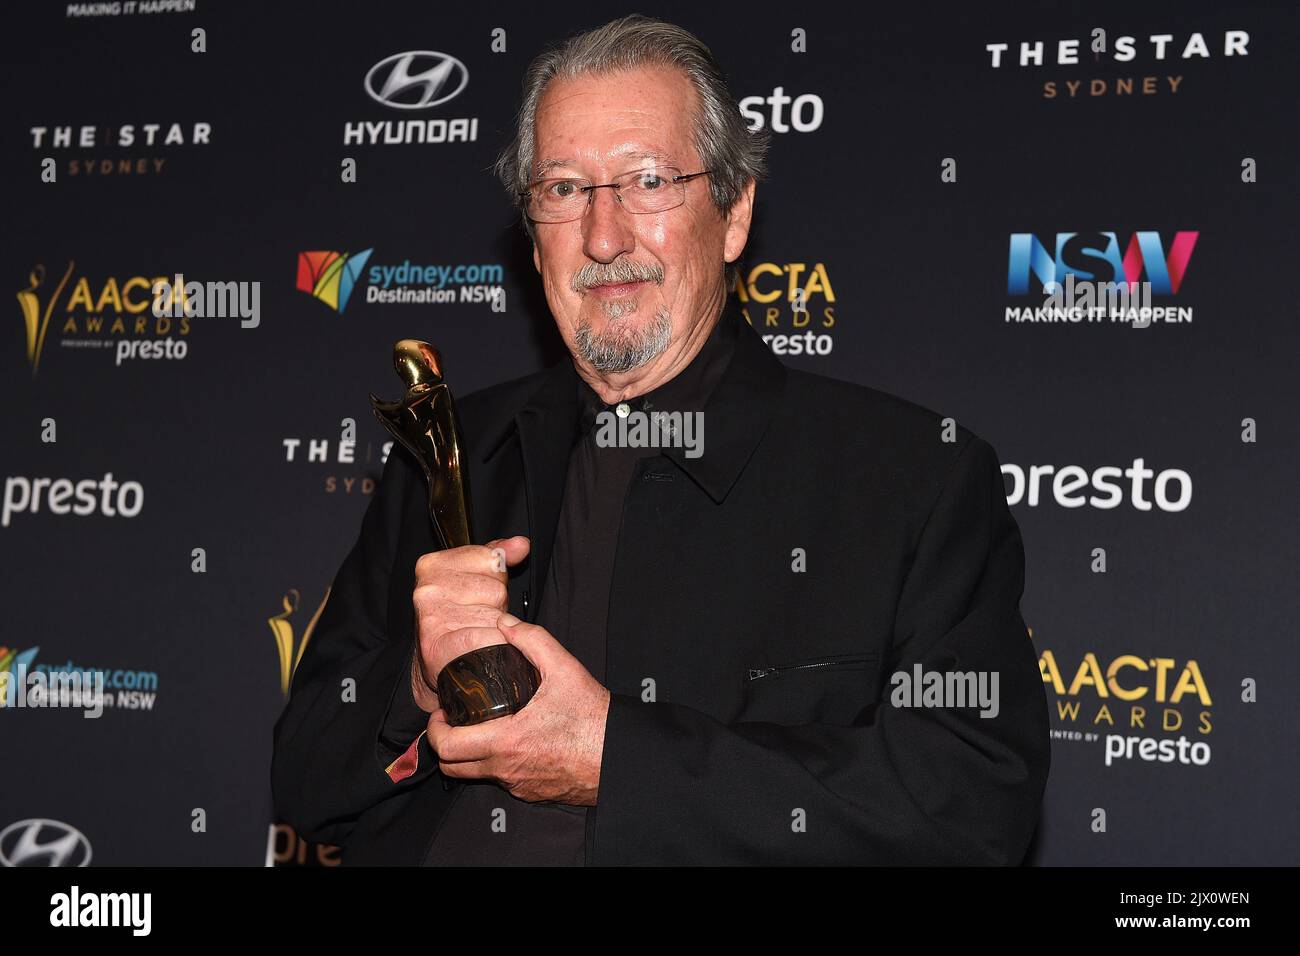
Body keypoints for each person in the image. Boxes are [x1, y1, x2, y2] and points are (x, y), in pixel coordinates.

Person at [272, 14, 1050, 865]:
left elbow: (972, 806)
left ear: (735, 212)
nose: (603, 238)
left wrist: (613, 757)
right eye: (563, 189)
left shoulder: (910, 479)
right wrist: (416, 686)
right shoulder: (451, 450)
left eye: (648, 181)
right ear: (532, 237)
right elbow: (304, 779)